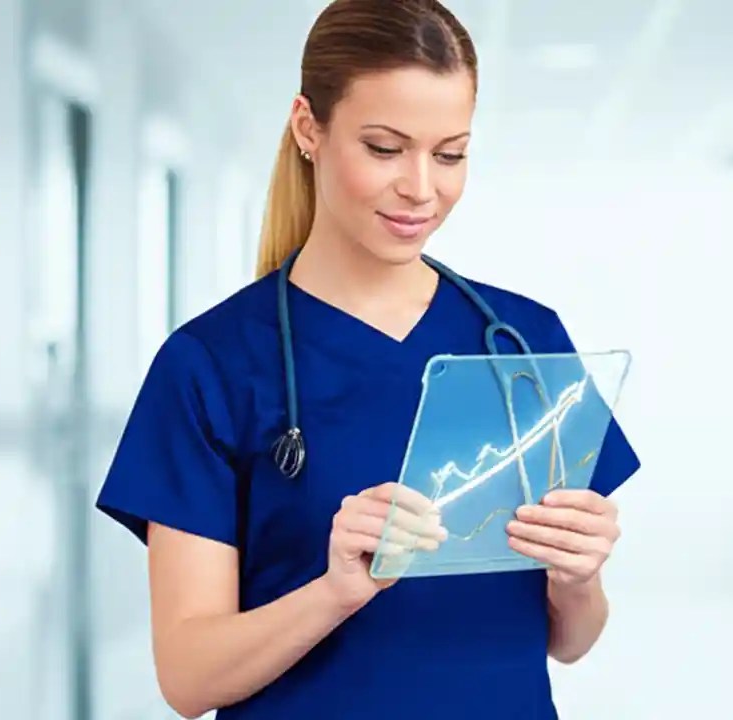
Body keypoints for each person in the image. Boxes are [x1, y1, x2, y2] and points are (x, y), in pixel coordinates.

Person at [94, 1, 641, 717]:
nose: (421, 187)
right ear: (307, 128)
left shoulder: (526, 340)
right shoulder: (210, 365)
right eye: (385, 148)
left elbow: (570, 640)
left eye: (450, 153)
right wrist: (335, 592)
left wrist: (578, 580)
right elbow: (189, 678)